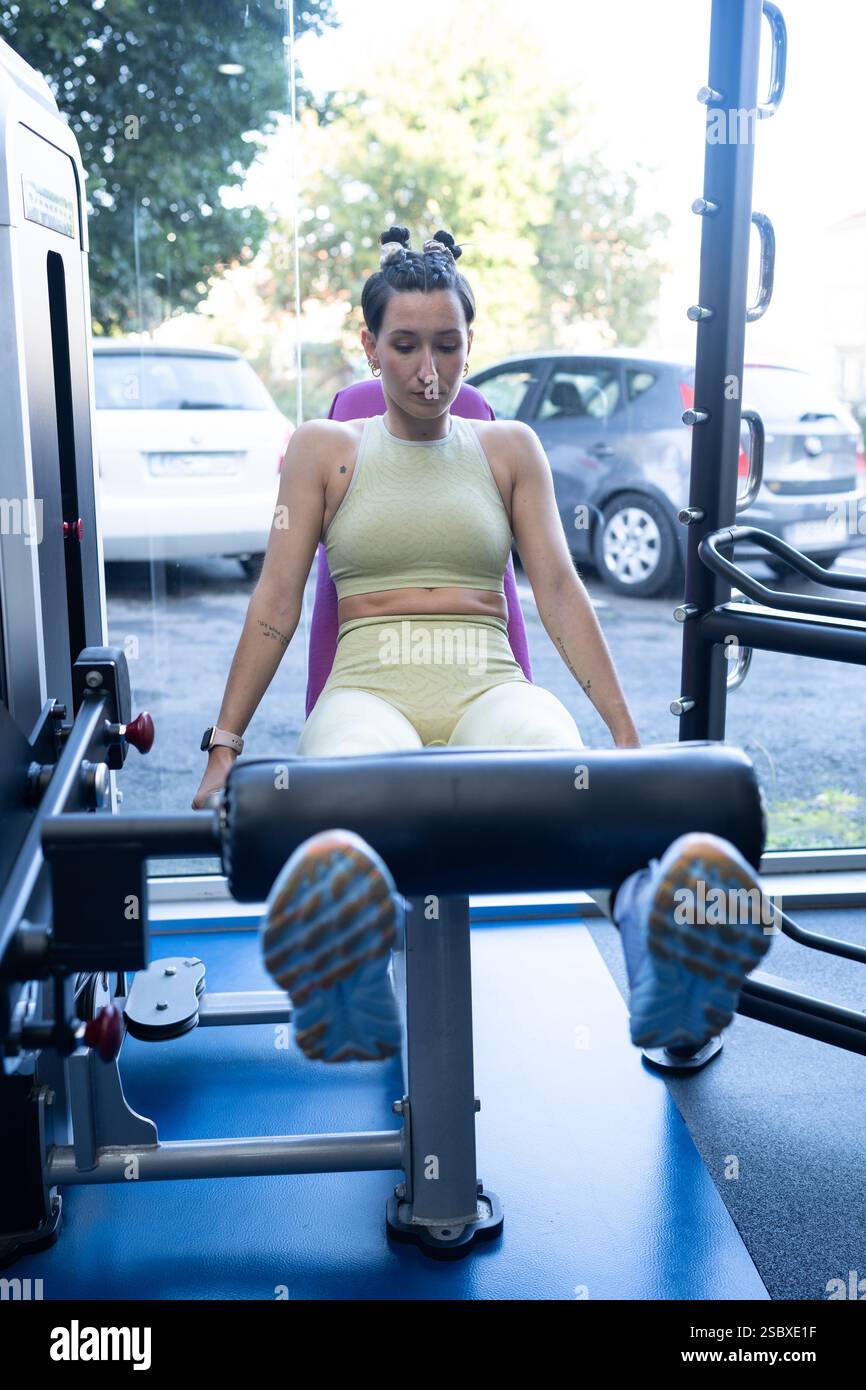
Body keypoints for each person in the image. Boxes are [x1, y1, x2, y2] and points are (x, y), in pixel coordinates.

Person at [193, 224, 774, 1061]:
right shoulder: (325, 450)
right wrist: (223, 751)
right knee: (348, 786)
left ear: (471, 344)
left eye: (448, 347)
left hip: (490, 685)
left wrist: (623, 740)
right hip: (367, 687)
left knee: (567, 781)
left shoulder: (509, 449)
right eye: (404, 347)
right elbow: (275, 606)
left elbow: (564, 597)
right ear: (369, 347)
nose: (429, 373)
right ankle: (345, 963)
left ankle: (661, 949)